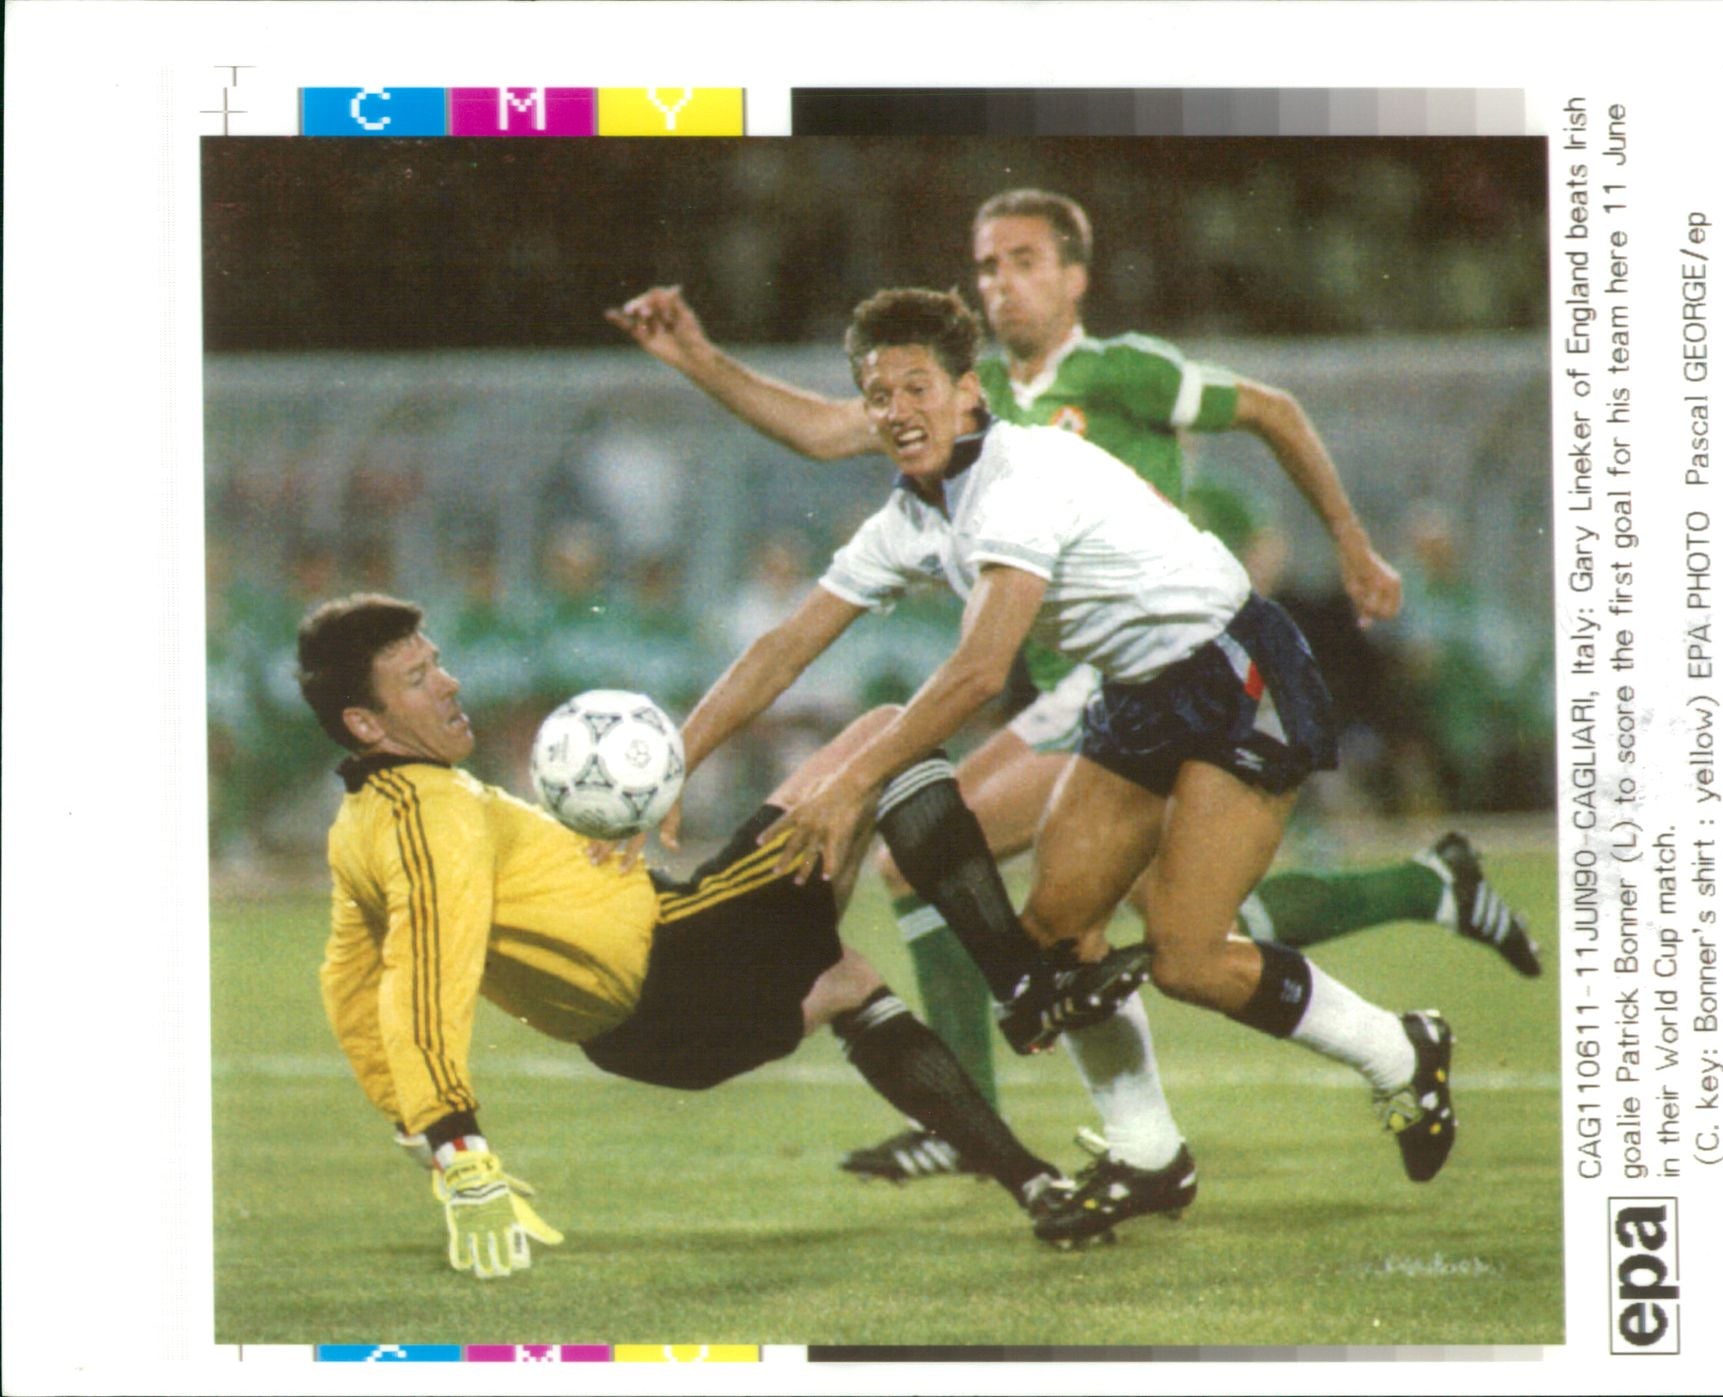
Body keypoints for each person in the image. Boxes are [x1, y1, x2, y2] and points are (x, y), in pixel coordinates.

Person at [606, 188, 1538, 1186]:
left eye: (915, 389)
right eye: (877, 396)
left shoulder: (1019, 475)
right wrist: (666, 768)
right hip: (1132, 696)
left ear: (969, 393)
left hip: (1234, 674)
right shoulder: (914, 510)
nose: (892, 412)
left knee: (1185, 952)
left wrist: (845, 785)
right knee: (1055, 941)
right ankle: (1149, 1157)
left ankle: (1400, 1051)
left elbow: (972, 671)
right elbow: (779, 650)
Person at [295, 593, 1071, 1279]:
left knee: (841, 976)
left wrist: (415, 1122)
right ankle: (1022, 981)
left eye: (438, 663)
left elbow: (351, 981)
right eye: (418, 678)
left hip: (645, 1039)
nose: (450, 682)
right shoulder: (433, 817)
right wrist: (459, 1149)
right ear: (366, 722)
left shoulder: (365, 822)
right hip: (685, 955)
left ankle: (1034, 1182)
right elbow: (427, 974)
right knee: (886, 731)